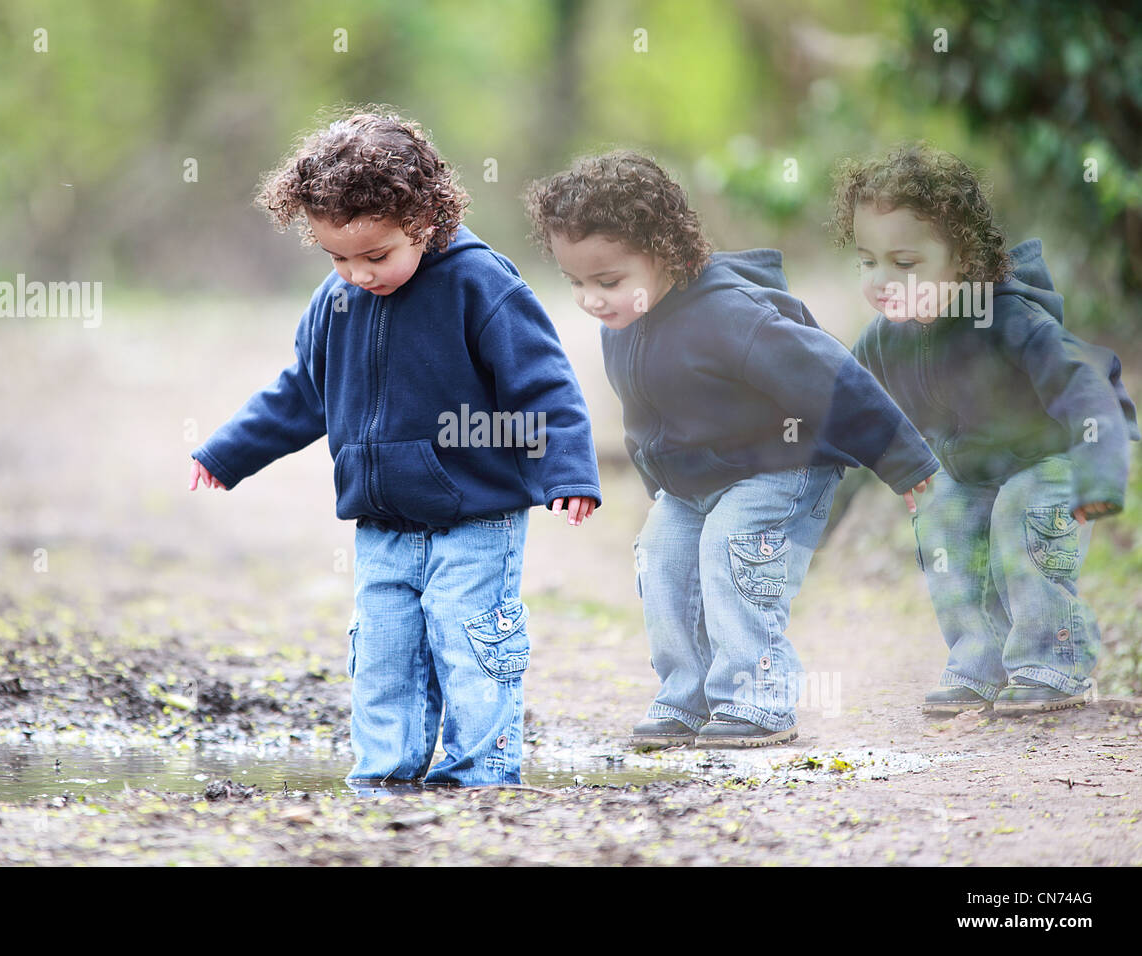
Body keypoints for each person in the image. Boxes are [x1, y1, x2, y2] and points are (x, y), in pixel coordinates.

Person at [190, 111, 601, 786]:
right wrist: (228, 452)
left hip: (477, 516)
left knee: (471, 646)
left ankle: (481, 778)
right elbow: (301, 392)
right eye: (338, 258)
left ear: (427, 220)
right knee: (383, 656)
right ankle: (385, 775)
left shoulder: (479, 283)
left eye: (376, 256)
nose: (358, 275)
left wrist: (568, 470)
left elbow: (544, 384)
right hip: (382, 525)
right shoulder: (337, 301)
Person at [525, 150, 938, 748]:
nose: (592, 298)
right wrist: (658, 482)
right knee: (662, 560)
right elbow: (647, 416)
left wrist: (899, 458)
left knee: (732, 550)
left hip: (781, 465)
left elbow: (829, 375)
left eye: (608, 281)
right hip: (693, 482)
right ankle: (686, 697)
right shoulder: (624, 324)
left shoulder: (729, 315)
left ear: (664, 252)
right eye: (576, 283)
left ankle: (758, 699)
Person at [831, 142, 1139, 715]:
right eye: (867, 260)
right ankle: (981, 660)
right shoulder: (884, 338)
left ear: (963, 258)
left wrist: (1099, 474)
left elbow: (1087, 384)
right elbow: (844, 408)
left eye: (905, 262)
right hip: (971, 471)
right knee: (942, 514)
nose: (882, 280)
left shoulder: (1007, 317)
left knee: (1019, 515)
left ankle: (1053, 659)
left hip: (1054, 463)